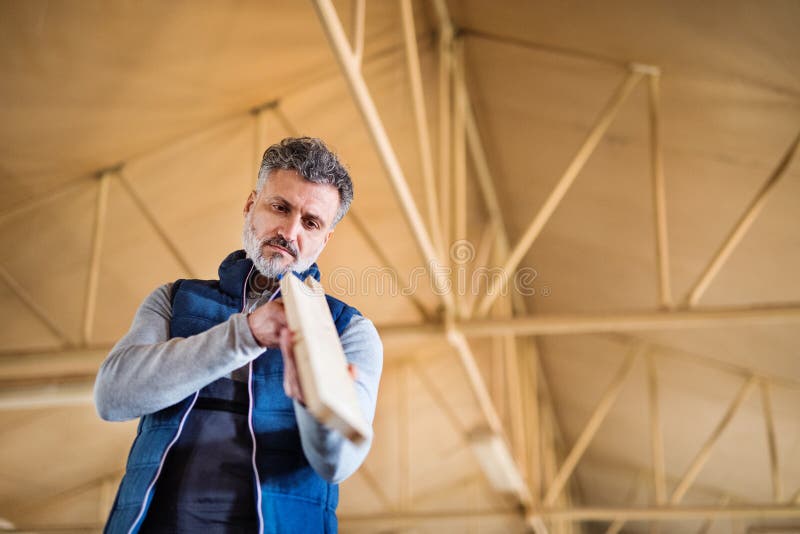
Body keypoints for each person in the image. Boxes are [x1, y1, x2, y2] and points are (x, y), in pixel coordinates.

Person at [94, 137, 383, 533]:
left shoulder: (351, 331)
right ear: (251, 206)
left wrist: (316, 406)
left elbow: (339, 463)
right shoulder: (175, 300)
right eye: (280, 207)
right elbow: (112, 397)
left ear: (325, 238)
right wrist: (245, 334)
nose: (290, 230)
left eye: (311, 222)